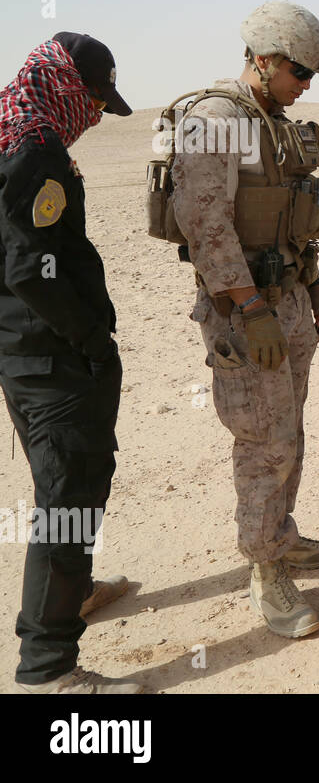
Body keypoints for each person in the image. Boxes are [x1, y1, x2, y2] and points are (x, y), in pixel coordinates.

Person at [170, 0, 319, 638]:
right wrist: (250, 309)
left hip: (289, 301)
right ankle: (264, 569)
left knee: (290, 431)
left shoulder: (273, 122)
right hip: (246, 314)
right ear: (266, 60)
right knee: (263, 439)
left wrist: (316, 286)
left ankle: (283, 537)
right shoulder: (215, 119)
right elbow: (207, 224)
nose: (306, 85)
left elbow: (294, 213)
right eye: (300, 72)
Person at [2, 34, 138, 692]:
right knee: (67, 496)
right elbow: (31, 267)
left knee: (72, 481)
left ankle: (75, 589)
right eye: (91, 99)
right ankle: (48, 668)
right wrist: (90, 338)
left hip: (26, 350)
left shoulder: (13, 130)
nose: (92, 114)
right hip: (51, 357)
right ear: (64, 83)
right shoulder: (36, 148)